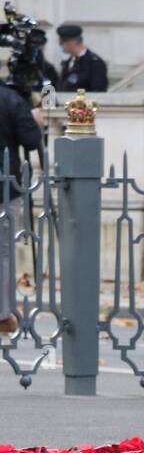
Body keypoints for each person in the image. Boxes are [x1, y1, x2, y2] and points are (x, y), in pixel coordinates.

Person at [0, 80, 41, 334]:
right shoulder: (10, 98)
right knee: (3, 251)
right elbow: (32, 140)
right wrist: (35, 118)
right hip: (5, 187)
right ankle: (2, 315)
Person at [55, 24, 109, 93]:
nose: (62, 46)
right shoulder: (69, 62)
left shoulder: (95, 63)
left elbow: (98, 91)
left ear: (72, 42)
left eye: (62, 43)